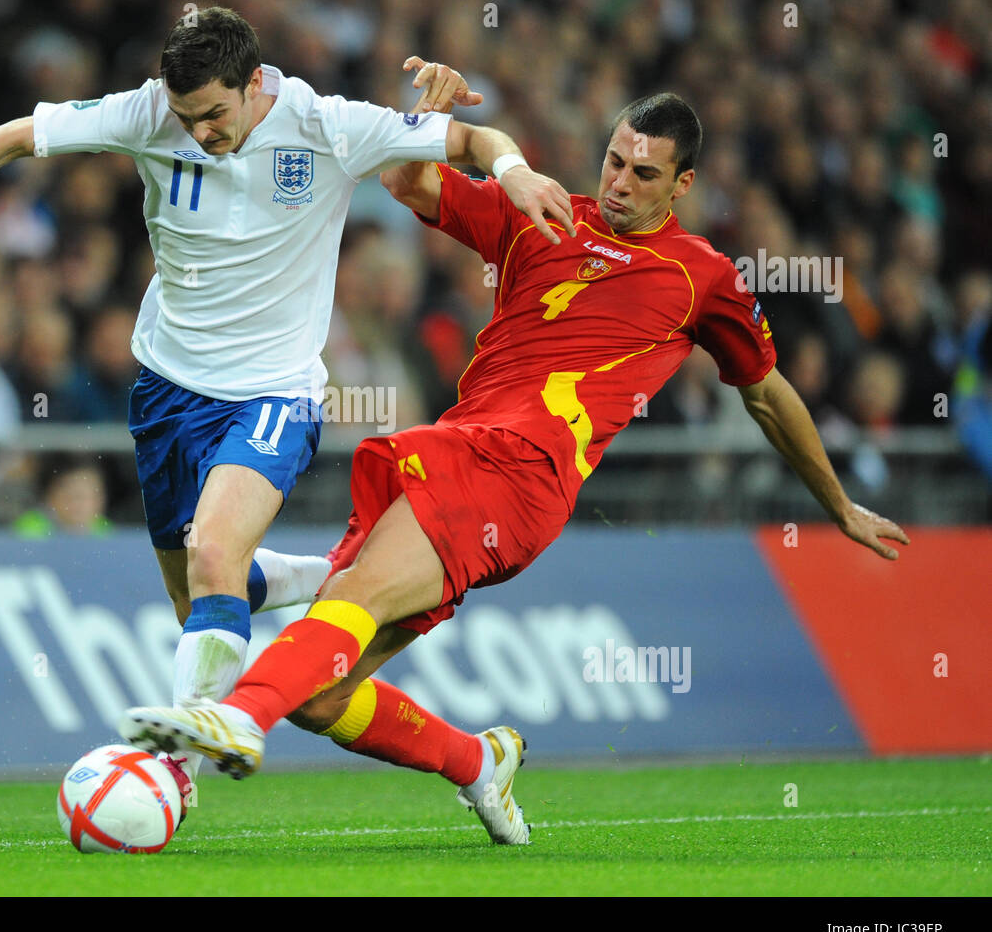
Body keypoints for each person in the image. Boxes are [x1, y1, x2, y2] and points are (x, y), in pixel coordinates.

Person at [118, 92, 911, 845]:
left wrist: (836, 504)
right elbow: (410, 180)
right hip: (459, 449)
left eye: (644, 173)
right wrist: (427, 112)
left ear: (683, 182)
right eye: (613, 161)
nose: (620, 182)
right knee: (324, 697)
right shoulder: (543, 211)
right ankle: (478, 762)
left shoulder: (700, 276)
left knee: (345, 606)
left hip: (524, 474)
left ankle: (238, 717)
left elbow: (767, 396)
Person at [0, 7, 570, 809]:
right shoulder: (151, 113)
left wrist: (515, 174)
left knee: (214, 555)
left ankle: (172, 770)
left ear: (256, 86)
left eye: (215, 114)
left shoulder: (327, 126)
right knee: (204, 601)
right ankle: (428, 713)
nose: (202, 132)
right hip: (165, 394)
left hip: (273, 392)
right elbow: (15, 135)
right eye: (188, 118)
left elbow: (470, 140)